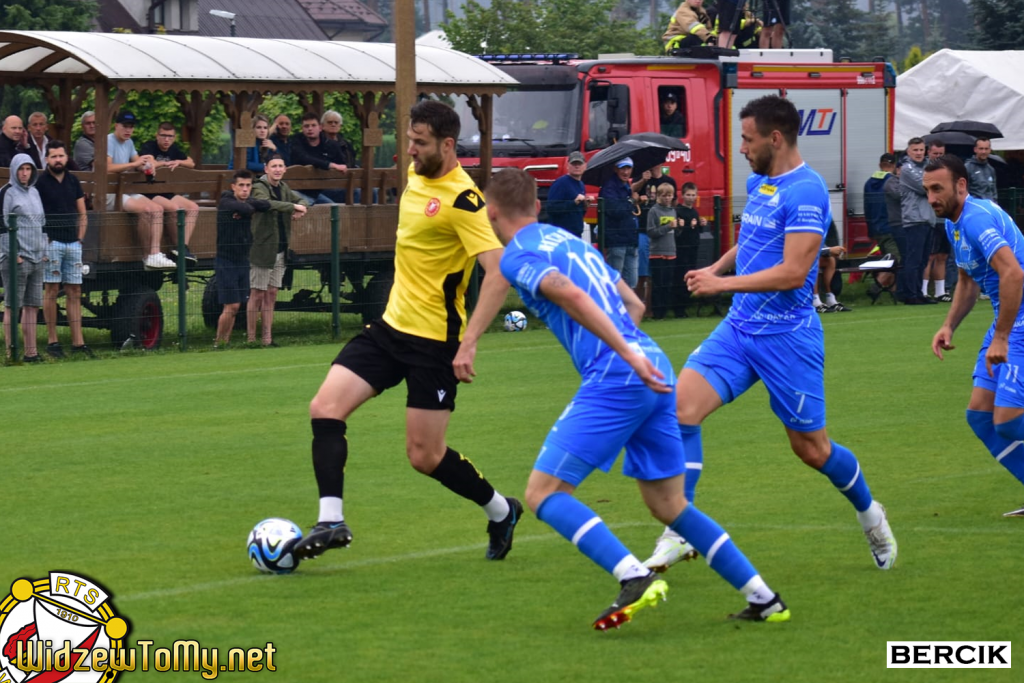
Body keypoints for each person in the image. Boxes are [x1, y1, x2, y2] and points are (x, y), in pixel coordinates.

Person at [485, 168, 790, 628]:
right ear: (537, 206)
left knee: (542, 493)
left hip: (619, 373)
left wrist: (620, 352)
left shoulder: (517, 255)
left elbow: (567, 294)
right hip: (654, 366)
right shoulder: (569, 241)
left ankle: (633, 575)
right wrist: (633, 349)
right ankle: (765, 598)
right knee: (670, 506)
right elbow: (635, 304)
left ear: (491, 212)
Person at [642, 95, 897, 573]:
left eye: (747, 138)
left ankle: (870, 512)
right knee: (679, 410)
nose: (741, 148)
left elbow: (792, 272)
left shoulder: (807, 191)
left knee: (812, 449)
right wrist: (715, 266)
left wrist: (722, 283)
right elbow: (753, 239)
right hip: (739, 329)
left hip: (788, 338)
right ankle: (679, 530)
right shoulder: (761, 181)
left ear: (774, 138)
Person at [293, 100, 521, 563]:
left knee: (424, 456)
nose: (411, 150)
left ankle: (501, 511)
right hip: (389, 328)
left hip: (435, 343)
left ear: (448, 144)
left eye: (419, 142)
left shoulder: (463, 200)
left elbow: (498, 273)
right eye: (409, 140)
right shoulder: (417, 177)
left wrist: (470, 343)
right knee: (325, 408)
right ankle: (331, 520)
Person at [927, 154, 1024, 518]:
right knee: (981, 416)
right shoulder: (954, 223)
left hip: (1018, 322)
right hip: (1009, 318)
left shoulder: (976, 218)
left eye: (939, 189)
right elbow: (968, 278)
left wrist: (1000, 337)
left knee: (1010, 421)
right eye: (927, 191)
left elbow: (1013, 273)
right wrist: (949, 325)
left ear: (961, 186)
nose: (932, 197)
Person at [35, 141, 90, 358]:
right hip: (52, 243)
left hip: (73, 244)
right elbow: (35, 215)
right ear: (47, 160)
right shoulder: (40, 184)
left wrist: (80, 239)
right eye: (53, 156)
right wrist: (44, 240)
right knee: (51, 290)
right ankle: (53, 341)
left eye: (61, 156)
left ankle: (79, 343)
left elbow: (82, 213)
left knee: (74, 290)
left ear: (66, 158)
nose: (58, 160)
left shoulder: (73, 181)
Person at [247, 155, 309, 347]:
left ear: (285, 169)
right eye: (273, 166)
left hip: (281, 248)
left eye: (280, 166)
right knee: (257, 293)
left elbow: (302, 200)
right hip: (263, 248)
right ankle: (251, 339)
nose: (277, 169)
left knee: (272, 293)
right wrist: (293, 207)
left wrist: (301, 208)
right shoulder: (259, 187)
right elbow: (266, 204)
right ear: (266, 168)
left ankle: (267, 338)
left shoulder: (283, 187)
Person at [105, 110, 175, 270]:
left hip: (125, 190)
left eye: (131, 127)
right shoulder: (107, 141)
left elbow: (139, 162)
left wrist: (149, 163)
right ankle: (146, 256)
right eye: (125, 126)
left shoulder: (129, 143)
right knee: (146, 209)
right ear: (116, 126)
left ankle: (155, 254)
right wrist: (133, 165)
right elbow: (107, 167)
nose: (128, 130)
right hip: (108, 193)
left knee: (157, 209)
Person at [215, 170, 270, 348]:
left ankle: (226, 342)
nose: (245, 189)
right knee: (231, 305)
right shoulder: (225, 202)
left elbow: (265, 205)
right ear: (233, 186)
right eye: (241, 185)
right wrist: (247, 209)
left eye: (248, 186)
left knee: (237, 306)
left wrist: (248, 208)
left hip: (243, 259)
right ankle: (218, 343)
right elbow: (246, 208)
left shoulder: (246, 202)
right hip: (226, 260)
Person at [1, 154, 47, 362]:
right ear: (14, 170)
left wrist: (44, 251)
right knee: (13, 306)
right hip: (16, 259)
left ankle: (31, 353)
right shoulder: (6, 193)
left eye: (28, 169)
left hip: (38, 259)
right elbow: (2, 227)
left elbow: (42, 222)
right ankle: (12, 353)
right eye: (21, 169)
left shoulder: (35, 192)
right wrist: (14, 255)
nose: (25, 173)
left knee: (32, 306)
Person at [137, 122, 199, 263]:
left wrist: (178, 162)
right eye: (163, 136)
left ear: (174, 137)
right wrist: (165, 164)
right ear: (157, 135)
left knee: (193, 207)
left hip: (167, 191)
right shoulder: (149, 146)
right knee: (173, 208)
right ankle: (178, 247)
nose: (166, 140)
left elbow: (191, 162)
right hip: (150, 192)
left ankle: (182, 247)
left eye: (170, 136)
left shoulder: (174, 149)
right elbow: (149, 162)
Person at [898, 137, 937, 305]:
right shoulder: (907, 169)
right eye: (915, 150)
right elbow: (925, 187)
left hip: (928, 218)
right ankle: (910, 294)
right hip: (914, 219)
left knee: (922, 260)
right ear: (908, 151)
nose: (919, 153)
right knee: (913, 260)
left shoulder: (929, 167)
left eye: (921, 150)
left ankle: (919, 292)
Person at [289, 112, 349, 204]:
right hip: (299, 190)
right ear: (302, 129)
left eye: (313, 125)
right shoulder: (296, 142)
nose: (310, 128)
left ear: (320, 128)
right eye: (306, 126)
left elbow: (343, 164)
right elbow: (304, 158)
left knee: (334, 208)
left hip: (321, 189)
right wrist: (331, 165)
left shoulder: (330, 144)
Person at [864, 153, 900, 302]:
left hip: (875, 227)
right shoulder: (892, 182)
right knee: (897, 258)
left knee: (888, 258)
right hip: (890, 226)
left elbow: (866, 206)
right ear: (895, 167)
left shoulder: (869, 182)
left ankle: (894, 293)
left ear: (880, 165)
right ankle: (877, 286)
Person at [598, 157, 639, 288]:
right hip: (617, 242)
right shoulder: (609, 187)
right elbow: (615, 210)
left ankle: (627, 308)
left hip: (630, 240)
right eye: (622, 168)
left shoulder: (627, 186)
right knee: (615, 283)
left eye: (628, 168)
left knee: (632, 282)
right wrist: (632, 201)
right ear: (616, 169)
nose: (626, 172)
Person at [647, 183, 679, 320]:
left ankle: (665, 312)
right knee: (658, 284)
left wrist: (679, 227)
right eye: (664, 196)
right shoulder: (653, 211)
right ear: (658, 196)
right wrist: (667, 227)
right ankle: (657, 313)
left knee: (667, 284)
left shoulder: (673, 211)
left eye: (669, 195)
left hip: (671, 252)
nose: (667, 198)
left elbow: (674, 234)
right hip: (657, 252)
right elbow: (651, 232)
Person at [673, 181, 705, 317]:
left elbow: (697, 231)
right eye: (688, 195)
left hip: (693, 247)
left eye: (693, 195)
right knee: (680, 276)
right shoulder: (678, 211)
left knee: (690, 276)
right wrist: (687, 226)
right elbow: (678, 232)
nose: (691, 197)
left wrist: (700, 224)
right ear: (682, 195)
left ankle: (686, 304)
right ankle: (678, 308)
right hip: (681, 248)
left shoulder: (694, 211)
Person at [545, 151, 588, 238]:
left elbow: (578, 212)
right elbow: (551, 208)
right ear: (568, 166)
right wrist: (574, 202)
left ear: (585, 166)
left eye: (579, 163)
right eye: (574, 163)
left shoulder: (581, 184)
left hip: (576, 233)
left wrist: (585, 205)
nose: (577, 166)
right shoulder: (561, 183)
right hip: (562, 234)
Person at [965, 137, 998, 201]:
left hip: (989, 207)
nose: (983, 151)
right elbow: (964, 191)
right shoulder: (967, 168)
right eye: (981, 149)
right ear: (975, 149)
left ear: (990, 150)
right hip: (975, 207)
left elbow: (994, 192)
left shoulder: (991, 169)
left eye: (986, 149)